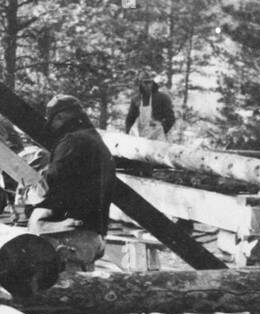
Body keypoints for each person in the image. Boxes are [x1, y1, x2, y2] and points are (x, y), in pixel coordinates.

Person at [28, 94, 117, 270]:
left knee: (63, 286)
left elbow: (49, 187)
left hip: (68, 235)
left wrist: (30, 192)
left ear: (60, 117)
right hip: (91, 235)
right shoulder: (97, 142)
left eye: (52, 122)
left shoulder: (72, 142)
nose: (52, 128)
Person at [125, 72, 176, 141]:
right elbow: (130, 119)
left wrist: (162, 130)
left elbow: (171, 118)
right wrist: (128, 132)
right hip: (143, 137)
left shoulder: (162, 97)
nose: (147, 85)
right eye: (145, 83)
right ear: (141, 83)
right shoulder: (136, 99)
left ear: (153, 82)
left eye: (149, 82)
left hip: (160, 137)